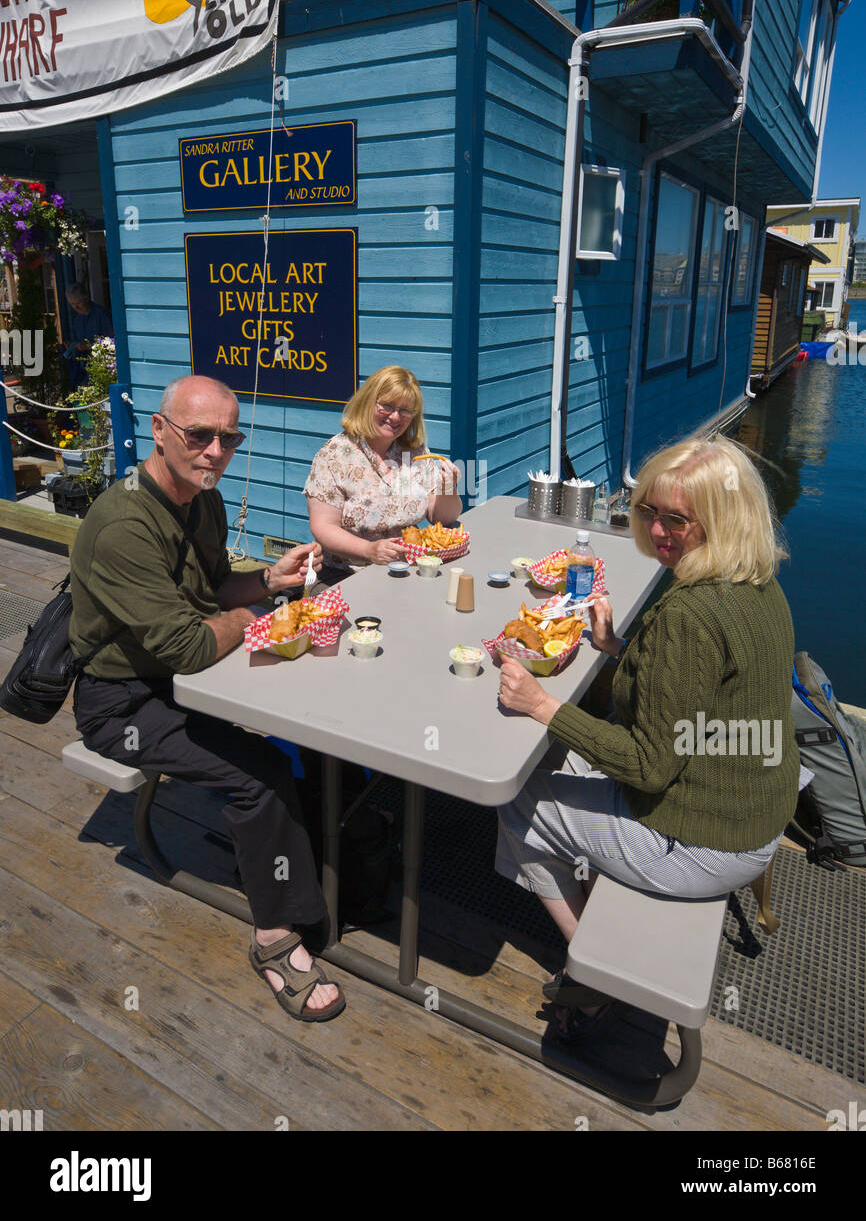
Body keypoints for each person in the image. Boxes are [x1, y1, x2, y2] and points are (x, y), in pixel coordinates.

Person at [495, 435, 800, 1040]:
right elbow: (696, 695)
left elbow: (649, 766)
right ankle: (593, 887)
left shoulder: (690, 613)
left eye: (678, 519)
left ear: (720, 519)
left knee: (515, 797)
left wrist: (540, 704)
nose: (658, 530)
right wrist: (620, 652)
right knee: (572, 757)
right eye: (648, 511)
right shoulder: (756, 583)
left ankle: (596, 971)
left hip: (702, 843)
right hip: (752, 812)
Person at [69, 374, 345, 1023]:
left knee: (309, 723)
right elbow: (188, 646)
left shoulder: (203, 499)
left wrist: (266, 582)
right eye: (199, 435)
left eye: (229, 437)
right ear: (160, 431)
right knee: (262, 776)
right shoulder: (124, 523)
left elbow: (212, 589)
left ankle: (313, 857)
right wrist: (262, 620)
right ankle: (277, 937)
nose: (216, 450)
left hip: (180, 676)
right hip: (124, 703)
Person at [304, 365, 462, 570]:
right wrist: (369, 550)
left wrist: (447, 487)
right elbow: (323, 526)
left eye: (405, 410)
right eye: (387, 406)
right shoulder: (334, 454)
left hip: (407, 567)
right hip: (347, 571)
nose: (395, 417)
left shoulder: (416, 452)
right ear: (368, 402)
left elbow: (442, 518)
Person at [62, 283, 113, 388]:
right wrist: (72, 345)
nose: (75, 307)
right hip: (83, 369)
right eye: (72, 304)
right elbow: (77, 341)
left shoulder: (101, 314)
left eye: (78, 303)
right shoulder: (77, 319)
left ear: (86, 298)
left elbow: (112, 342)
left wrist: (88, 346)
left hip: (103, 367)